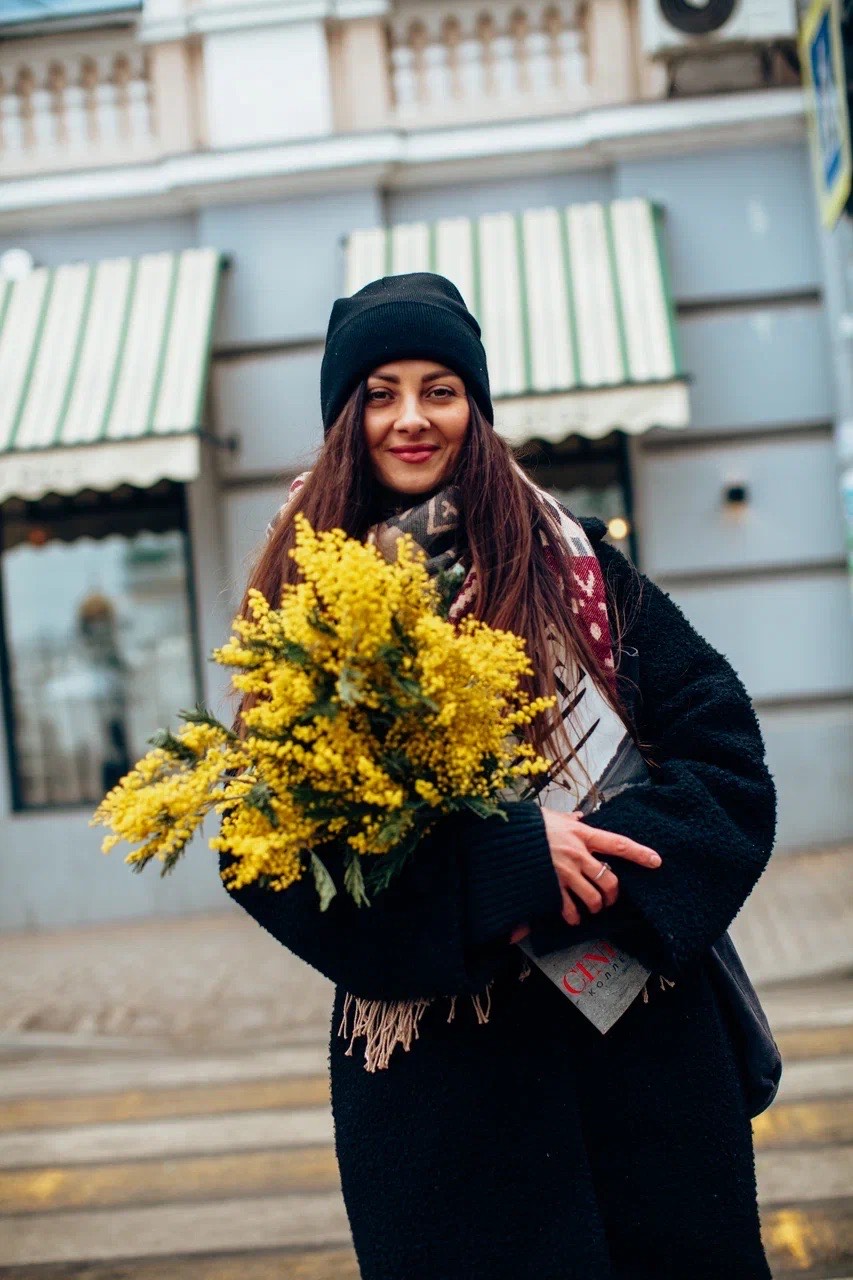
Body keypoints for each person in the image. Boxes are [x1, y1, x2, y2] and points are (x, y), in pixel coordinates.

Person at [223, 273, 777, 1280]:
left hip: (645, 1062)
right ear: (346, 417)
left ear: (475, 405)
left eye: (440, 388)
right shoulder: (299, 604)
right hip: (449, 1100)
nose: (410, 418)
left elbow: (727, 764)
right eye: (380, 391)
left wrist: (600, 869)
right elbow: (265, 857)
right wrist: (512, 863)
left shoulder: (576, 566)